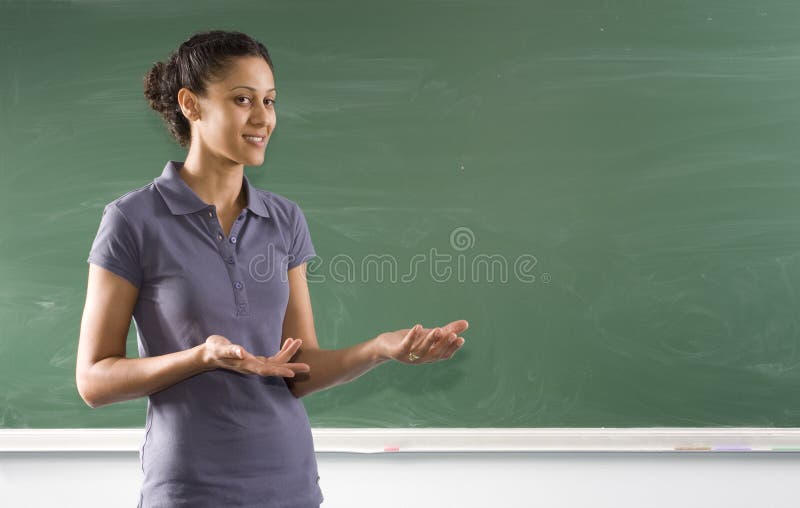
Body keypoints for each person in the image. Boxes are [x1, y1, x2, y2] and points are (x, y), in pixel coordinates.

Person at [75, 29, 468, 508]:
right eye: (242, 100)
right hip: (189, 490)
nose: (263, 118)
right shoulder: (133, 221)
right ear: (191, 105)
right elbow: (93, 381)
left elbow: (298, 370)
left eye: (270, 100)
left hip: (291, 486)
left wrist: (380, 348)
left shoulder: (284, 220)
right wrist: (200, 357)